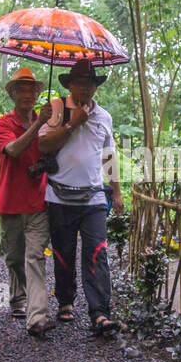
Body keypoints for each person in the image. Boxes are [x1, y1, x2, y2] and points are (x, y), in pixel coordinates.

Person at [38, 58, 126, 335]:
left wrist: (118, 192)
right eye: (80, 83)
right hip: (59, 196)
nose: (86, 88)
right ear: (71, 85)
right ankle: (65, 301)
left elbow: (108, 155)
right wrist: (73, 123)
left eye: (90, 83)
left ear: (95, 86)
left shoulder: (105, 117)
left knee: (97, 253)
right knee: (63, 253)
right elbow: (43, 143)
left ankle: (100, 314)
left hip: (93, 199)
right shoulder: (56, 109)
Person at [0, 66, 54, 338]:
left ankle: (37, 317)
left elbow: (56, 151)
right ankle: (17, 299)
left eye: (32, 89)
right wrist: (38, 125)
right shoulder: (2, 124)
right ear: (13, 94)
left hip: (39, 201)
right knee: (15, 257)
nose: (27, 94)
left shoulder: (48, 121)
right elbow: (15, 150)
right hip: (10, 202)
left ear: (38, 93)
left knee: (35, 257)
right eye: (21, 89)